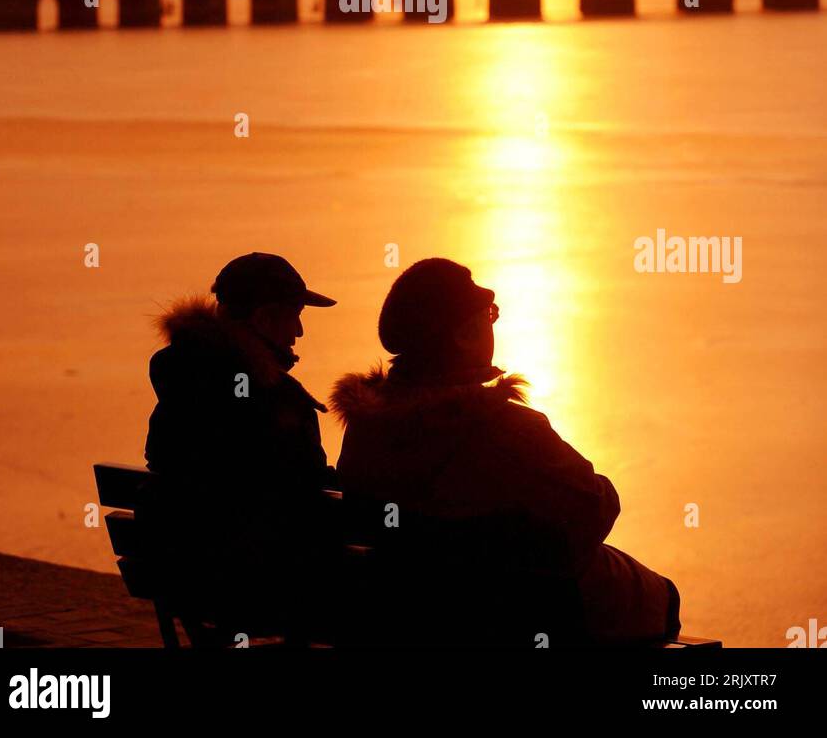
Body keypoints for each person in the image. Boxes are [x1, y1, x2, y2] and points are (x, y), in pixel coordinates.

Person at [330, 257, 681, 646]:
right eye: (489, 314)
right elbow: (592, 508)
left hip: (408, 615)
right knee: (664, 598)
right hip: (523, 613)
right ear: (463, 335)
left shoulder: (365, 429)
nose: (493, 324)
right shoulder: (509, 431)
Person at [141, 252, 337, 607]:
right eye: (295, 317)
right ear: (263, 319)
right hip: (266, 589)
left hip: (187, 582)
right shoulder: (276, 402)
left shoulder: (180, 383)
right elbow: (307, 490)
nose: (299, 331)